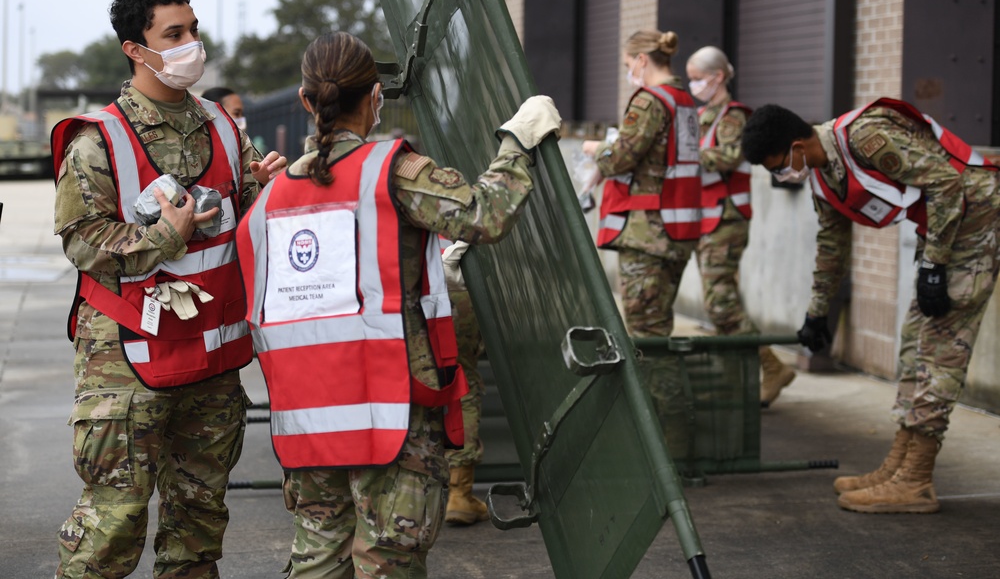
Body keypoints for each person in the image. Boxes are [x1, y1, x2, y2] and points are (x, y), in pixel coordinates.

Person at [234, 31, 561, 577]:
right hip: (391, 411)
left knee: (317, 562)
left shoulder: (269, 200)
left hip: (307, 420)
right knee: (388, 561)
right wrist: (517, 145)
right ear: (375, 96)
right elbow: (484, 215)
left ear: (304, 100)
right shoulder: (392, 172)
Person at [50, 0, 286, 577]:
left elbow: (248, 211)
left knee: (199, 523)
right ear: (135, 48)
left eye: (193, 30)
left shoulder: (225, 127)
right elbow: (83, 241)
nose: (191, 45)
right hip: (126, 363)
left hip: (210, 357)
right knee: (114, 522)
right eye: (173, 34)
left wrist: (275, 187)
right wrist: (165, 236)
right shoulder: (98, 140)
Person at [741, 99, 1000, 514]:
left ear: (797, 146)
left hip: (977, 216)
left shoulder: (863, 137)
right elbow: (831, 245)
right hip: (947, 227)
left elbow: (947, 183)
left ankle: (916, 480)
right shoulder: (823, 178)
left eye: (778, 165)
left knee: (941, 349)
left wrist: (934, 264)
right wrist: (817, 312)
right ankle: (899, 465)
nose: (780, 175)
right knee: (916, 341)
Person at [581, 29, 701, 457]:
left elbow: (621, 158)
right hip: (677, 229)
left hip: (649, 234)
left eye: (628, 64)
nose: (628, 72)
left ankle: (669, 449)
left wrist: (598, 147)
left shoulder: (651, 101)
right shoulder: (685, 101)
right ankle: (672, 441)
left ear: (642, 60)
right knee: (659, 333)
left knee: (650, 342)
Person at [686, 46, 796, 406]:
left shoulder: (733, 116)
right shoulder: (703, 115)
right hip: (709, 217)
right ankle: (734, 381)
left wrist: (684, 154)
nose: (693, 85)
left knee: (721, 304)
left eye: (698, 78)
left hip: (726, 217)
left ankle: (772, 367)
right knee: (719, 302)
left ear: (718, 77)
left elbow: (733, 154)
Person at [440, 240, 490, 526]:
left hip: (402, 280)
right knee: (462, 381)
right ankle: (459, 492)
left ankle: (411, 489)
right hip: (456, 277)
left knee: (410, 379)